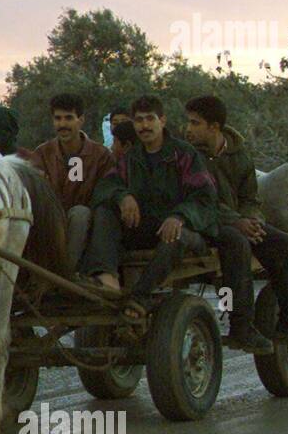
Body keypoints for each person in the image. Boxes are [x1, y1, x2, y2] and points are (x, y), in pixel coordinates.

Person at [184, 95, 288, 348]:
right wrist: (237, 222)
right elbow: (201, 199)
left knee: (284, 245)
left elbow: (250, 197)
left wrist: (251, 221)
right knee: (237, 245)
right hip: (204, 221)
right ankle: (241, 326)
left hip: (239, 222)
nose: (188, 129)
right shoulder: (188, 157)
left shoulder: (239, 155)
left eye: (195, 123)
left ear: (214, 127)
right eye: (188, 122)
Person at [81, 95, 219, 316]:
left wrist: (179, 216)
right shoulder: (131, 158)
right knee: (104, 210)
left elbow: (205, 197)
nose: (144, 126)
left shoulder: (184, 154)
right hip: (146, 227)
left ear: (162, 120)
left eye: (149, 119)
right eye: (138, 120)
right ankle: (106, 277)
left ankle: (140, 297)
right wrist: (123, 196)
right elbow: (105, 187)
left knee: (175, 235)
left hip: (187, 230)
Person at [29, 93, 114, 269]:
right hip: (50, 223)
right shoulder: (42, 154)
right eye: (58, 118)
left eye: (68, 118)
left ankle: (65, 274)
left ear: (80, 120)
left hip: (87, 225)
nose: (62, 124)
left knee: (80, 214)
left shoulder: (101, 155)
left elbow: (107, 192)